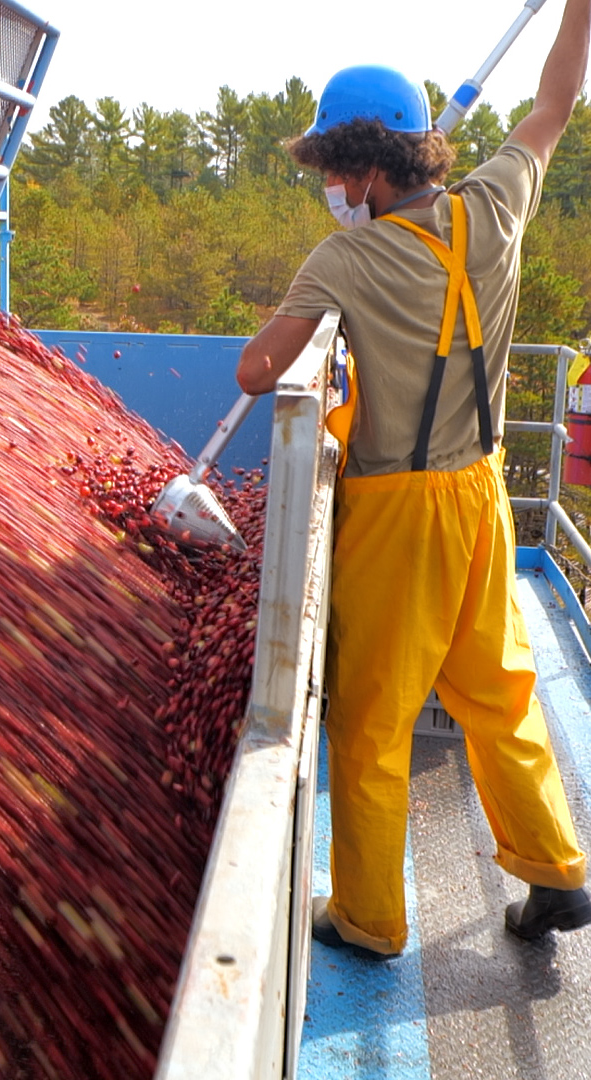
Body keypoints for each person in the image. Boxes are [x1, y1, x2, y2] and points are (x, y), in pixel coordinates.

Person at [237, 0, 591, 958]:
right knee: (499, 690)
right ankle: (556, 872)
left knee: (372, 722)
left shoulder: (344, 258)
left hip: (396, 509)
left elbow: (254, 373)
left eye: (332, 172)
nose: (330, 189)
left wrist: (321, 320)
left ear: (362, 167)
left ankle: (367, 917)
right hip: (481, 495)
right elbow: (555, 102)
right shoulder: (496, 206)